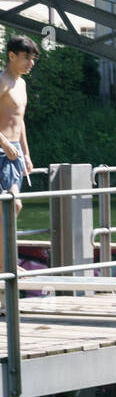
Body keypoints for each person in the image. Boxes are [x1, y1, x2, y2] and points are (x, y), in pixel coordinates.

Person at [0, 35, 37, 268]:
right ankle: (6, 266)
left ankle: (6, 264)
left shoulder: (22, 84)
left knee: (11, 207)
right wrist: (2, 143)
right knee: (12, 205)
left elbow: (20, 120)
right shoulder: (2, 81)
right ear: (11, 56)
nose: (30, 63)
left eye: (32, 59)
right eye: (26, 58)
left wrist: (26, 153)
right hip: (1, 151)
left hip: (15, 152)